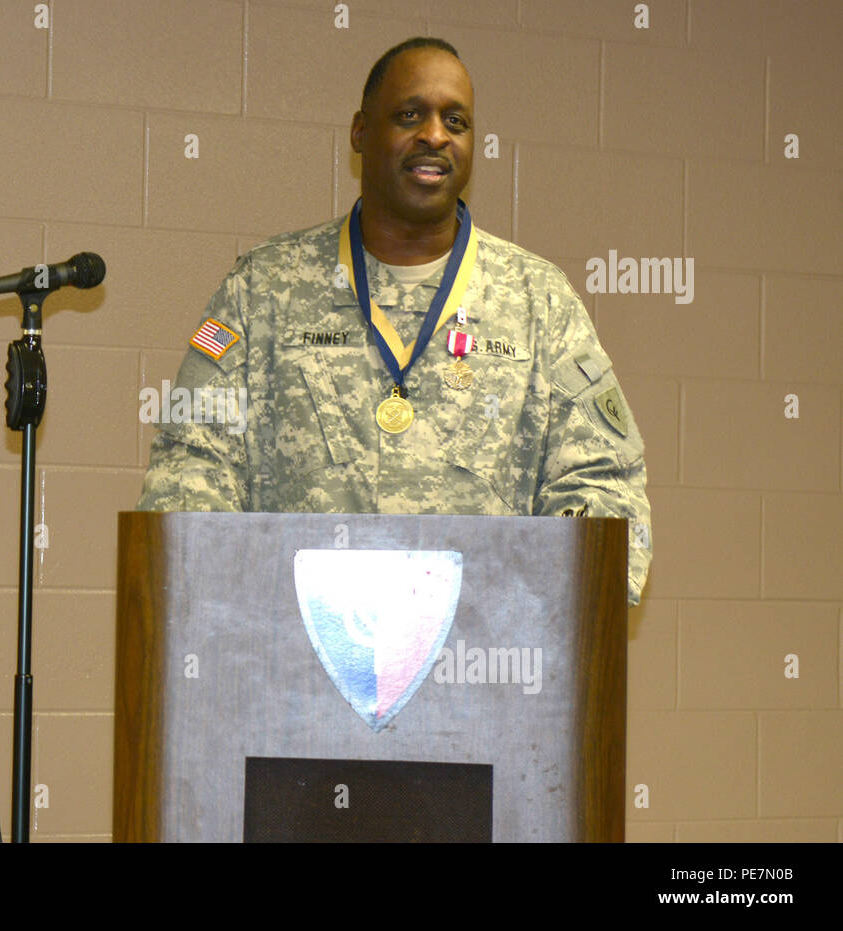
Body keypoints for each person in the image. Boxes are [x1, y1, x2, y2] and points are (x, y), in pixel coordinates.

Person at [137, 38, 651, 606]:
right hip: (293, 658)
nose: (435, 134)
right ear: (360, 133)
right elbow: (192, 465)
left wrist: (539, 614)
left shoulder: (538, 300)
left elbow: (604, 484)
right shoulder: (266, 288)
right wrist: (229, 616)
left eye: (455, 120)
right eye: (410, 115)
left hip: (483, 664)